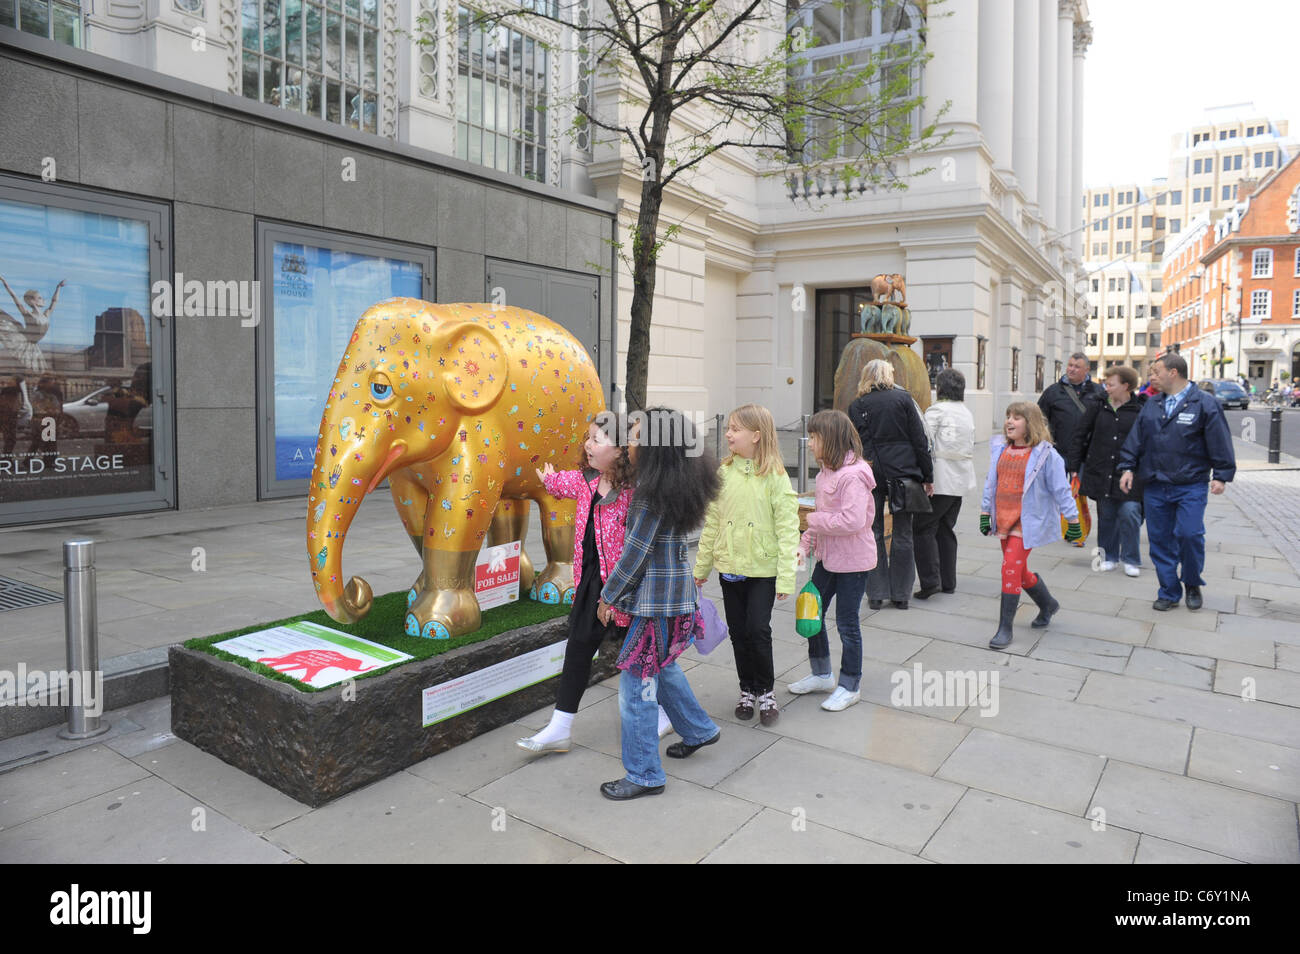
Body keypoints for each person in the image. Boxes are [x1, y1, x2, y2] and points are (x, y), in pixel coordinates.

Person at [519, 414, 673, 753]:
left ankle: (664, 711)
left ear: (621, 451)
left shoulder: (635, 493)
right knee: (578, 647)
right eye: (587, 438)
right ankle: (560, 726)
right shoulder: (585, 481)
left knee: (643, 655)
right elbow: (561, 483)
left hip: (627, 588)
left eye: (597, 440)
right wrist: (547, 479)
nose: (588, 445)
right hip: (591, 584)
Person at [596, 408, 721, 800]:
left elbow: (634, 554)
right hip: (675, 601)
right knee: (663, 669)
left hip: (657, 606)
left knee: (636, 689)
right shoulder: (674, 486)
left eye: (635, 437)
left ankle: (645, 774)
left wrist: (608, 596)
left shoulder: (651, 497)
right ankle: (700, 729)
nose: (628, 444)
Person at [693, 404, 799, 726]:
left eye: (735, 429)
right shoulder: (723, 474)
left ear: (756, 435)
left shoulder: (776, 477)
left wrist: (785, 578)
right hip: (730, 568)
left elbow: (787, 527)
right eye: (728, 429)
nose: (728, 434)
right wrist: (701, 568)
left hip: (763, 571)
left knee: (757, 629)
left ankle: (766, 690)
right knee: (739, 632)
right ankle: (747, 688)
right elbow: (711, 523)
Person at [1118, 352, 1236, 612]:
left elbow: (1220, 440)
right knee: (1159, 540)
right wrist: (1127, 467)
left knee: (1189, 534)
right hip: (1155, 484)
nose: (1152, 376)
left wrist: (1222, 475)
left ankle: (1192, 582)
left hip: (1190, 484)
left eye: (1156, 371)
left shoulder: (1205, 404)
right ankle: (1169, 591)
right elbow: (1136, 439)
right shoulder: (1151, 404)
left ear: (1173, 372)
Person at [789, 410, 876, 711]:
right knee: (810, 608)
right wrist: (804, 546)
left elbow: (851, 521)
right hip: (828, 559)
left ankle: (850, 685)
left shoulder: (854, 476)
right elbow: (820, 525)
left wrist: (814, 517)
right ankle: (822, 673)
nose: (810, 443)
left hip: (853, 562)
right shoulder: (827, 472)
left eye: (814, 438)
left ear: (832, 440)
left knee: (847, 623)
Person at [979, 403, 1081, 650]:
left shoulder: (1046, 455)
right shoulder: (1000, 449)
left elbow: (1061, 489)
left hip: (1028, 521)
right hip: (1004, 518)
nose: (1009, 422)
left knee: (1009, 569)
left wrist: (1074, 520)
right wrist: (985, 512)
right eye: (1007, 416)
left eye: (1017, 417)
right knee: (1019, 570)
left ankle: (1005, 628)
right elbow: (991, 483)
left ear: (1030, 423)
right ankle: (1048, 604)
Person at [848, 359, 933, 610]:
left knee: (872, 533)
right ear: (888, 375)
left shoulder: (856, 405)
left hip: (870, 474)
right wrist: (928, 476)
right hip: (903, 473)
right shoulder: (903, 399)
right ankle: (901, 595)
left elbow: (853, 444)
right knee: (903, 534)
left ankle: (876, 593)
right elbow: (920, 440)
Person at [1069, 366, 1145, 577]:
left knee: (1130, 512)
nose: (1107, 388)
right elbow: (1080, 434)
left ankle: (1131, 559)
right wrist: (1074, 466)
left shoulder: (1140, 409)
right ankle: (1108, 557)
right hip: (1101, 469)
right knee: (1106, 514)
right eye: (1106, 384)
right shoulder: (1098, 406)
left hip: (1130, 472)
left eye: (1111, 384)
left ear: (1125, 386)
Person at [913, 369, 976, 599]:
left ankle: (930, 582)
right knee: (945, 528)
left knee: (922, 528)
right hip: (960, 480)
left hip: (940, 480)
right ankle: (948, 581)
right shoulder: (965, 412)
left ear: (940, 388)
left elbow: (924, 441)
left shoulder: (937, 411)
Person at [1038, 352, 1104, 547]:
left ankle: (1077, 528)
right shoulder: (1053, 392)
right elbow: (1040, 418)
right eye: (1070, 365)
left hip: (1087, 453)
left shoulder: (1099, 393)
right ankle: (1054, 527)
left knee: (1078, 493)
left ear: (1086, 370)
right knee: (1055, 491)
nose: (1071, 369)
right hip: (1059, 451)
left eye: (1077, 366)